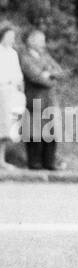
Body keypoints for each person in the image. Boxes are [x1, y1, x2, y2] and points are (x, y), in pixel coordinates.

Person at [21, 28, 65, 171]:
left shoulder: (45, 56)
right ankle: (34, 163)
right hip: (34, 98)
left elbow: (59, 72)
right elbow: (35, 76)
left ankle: (49, 162)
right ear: (30, 41)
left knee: (51, 131)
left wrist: (48, 74)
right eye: (40, 41)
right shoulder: (25, 57)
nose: (43, 44)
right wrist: (47, 76)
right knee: (34, 132)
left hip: (50, 99)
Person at [0, 26, 26, 169]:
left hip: (10, 93)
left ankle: (1, 160)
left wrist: (20, 90)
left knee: (6, 127)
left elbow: (18, 74)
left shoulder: (13, 53)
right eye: (8, 36)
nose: (11, 39)